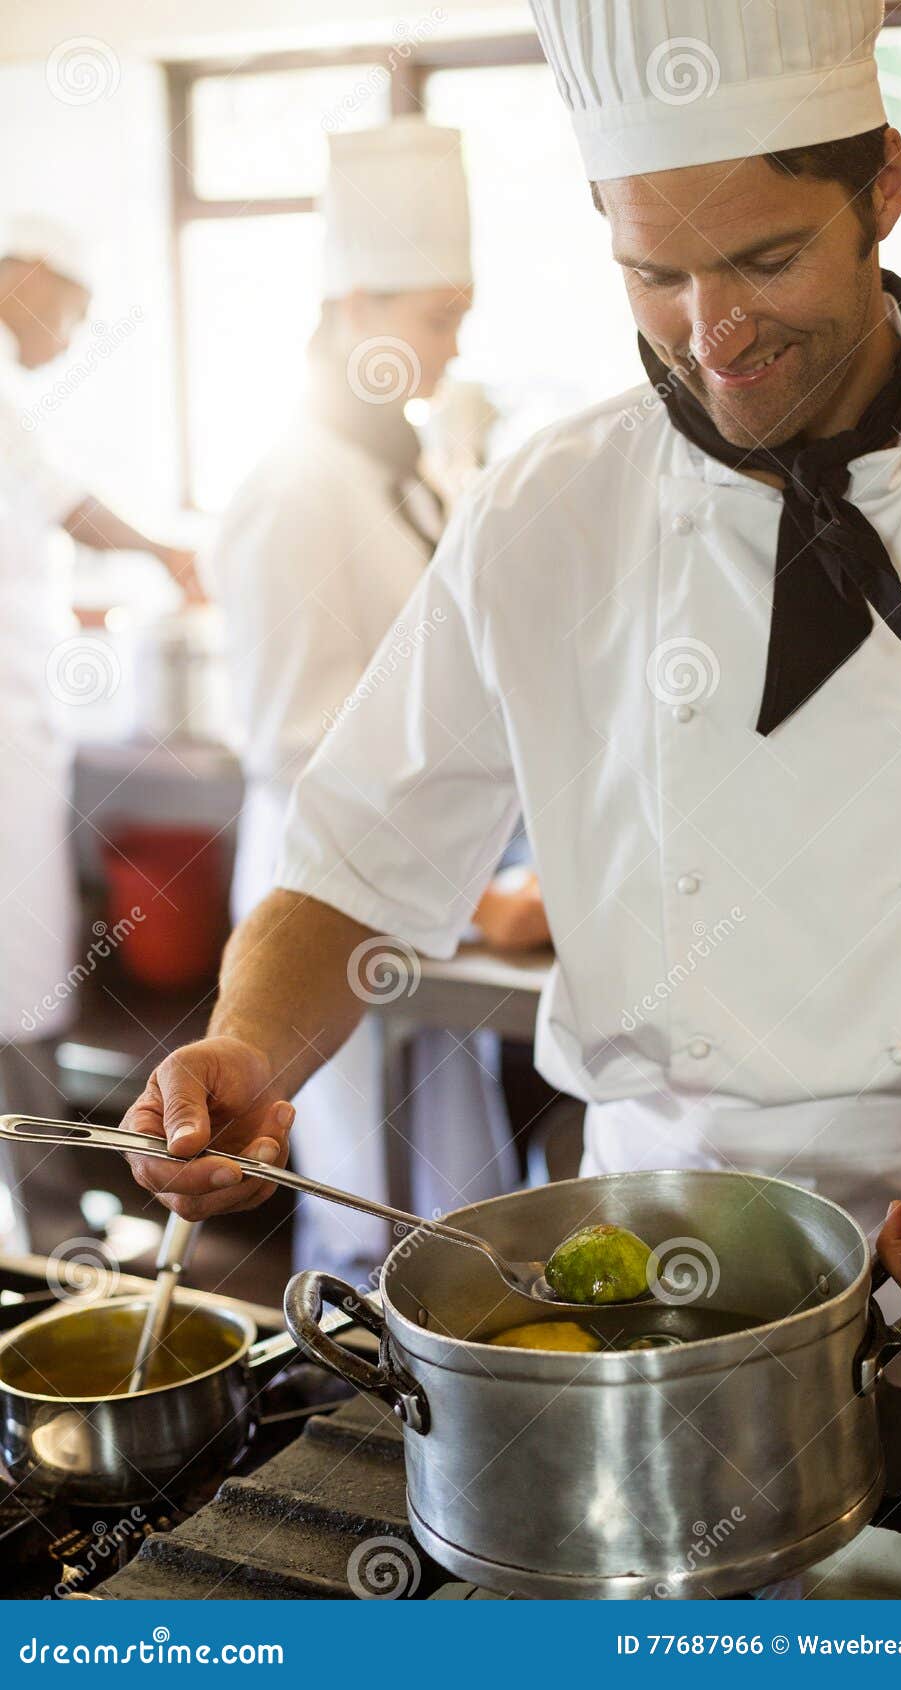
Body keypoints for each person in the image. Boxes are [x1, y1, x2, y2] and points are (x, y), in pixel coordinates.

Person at [122, 1, 901, 1416]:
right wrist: (245, 1044)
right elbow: (353, 865)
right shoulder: (542, 510)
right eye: (654, 274)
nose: (714, 331)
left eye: (764, 257)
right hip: (637, 1268)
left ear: (883, 181)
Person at [211, 119, 544, 1280]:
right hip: (331, 897)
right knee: (367, 1216)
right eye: (433, 320)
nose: (450, 349)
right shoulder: (293, 489)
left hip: (414, 901)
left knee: (447, 1222)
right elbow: (312, 751)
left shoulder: (392, 468)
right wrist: (475, 909)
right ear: (353, 308)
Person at [0, 216, 200, 1250]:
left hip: (20, 729)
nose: (70, 339)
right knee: (20, 970)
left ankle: (45, 1211)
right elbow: (67, 505)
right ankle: (47, 1226)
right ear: (27, 275)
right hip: (5, 745)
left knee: (25, 965)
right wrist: (167, 552)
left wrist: (60, 614)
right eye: (72, 313)